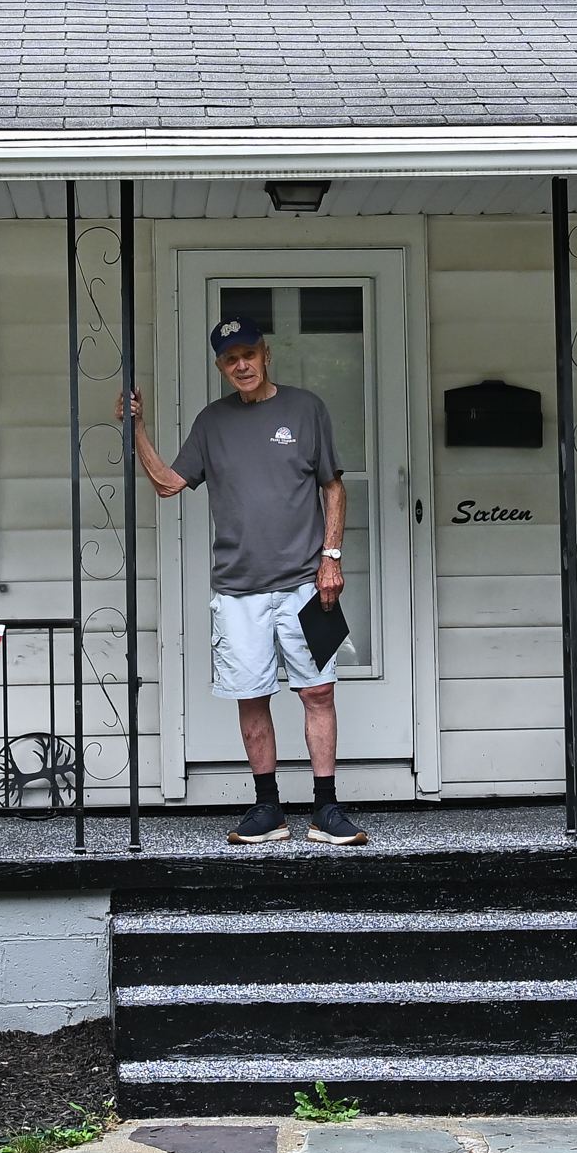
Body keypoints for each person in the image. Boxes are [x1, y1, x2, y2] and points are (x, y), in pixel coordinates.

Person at [125, 314, 365, 845]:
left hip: (307, 584)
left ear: (265, 354)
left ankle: (326, 809)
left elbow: (333, 488)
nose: (242, 365)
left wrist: (332, 557)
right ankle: (268, 808)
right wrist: (136, 430)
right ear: (221, 366)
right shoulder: (213, 423)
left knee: (318, 693)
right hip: (238, 591)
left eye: (249, 354)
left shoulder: (306, 409)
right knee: (251, 696)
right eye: (230, 359)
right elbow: (168, 484)